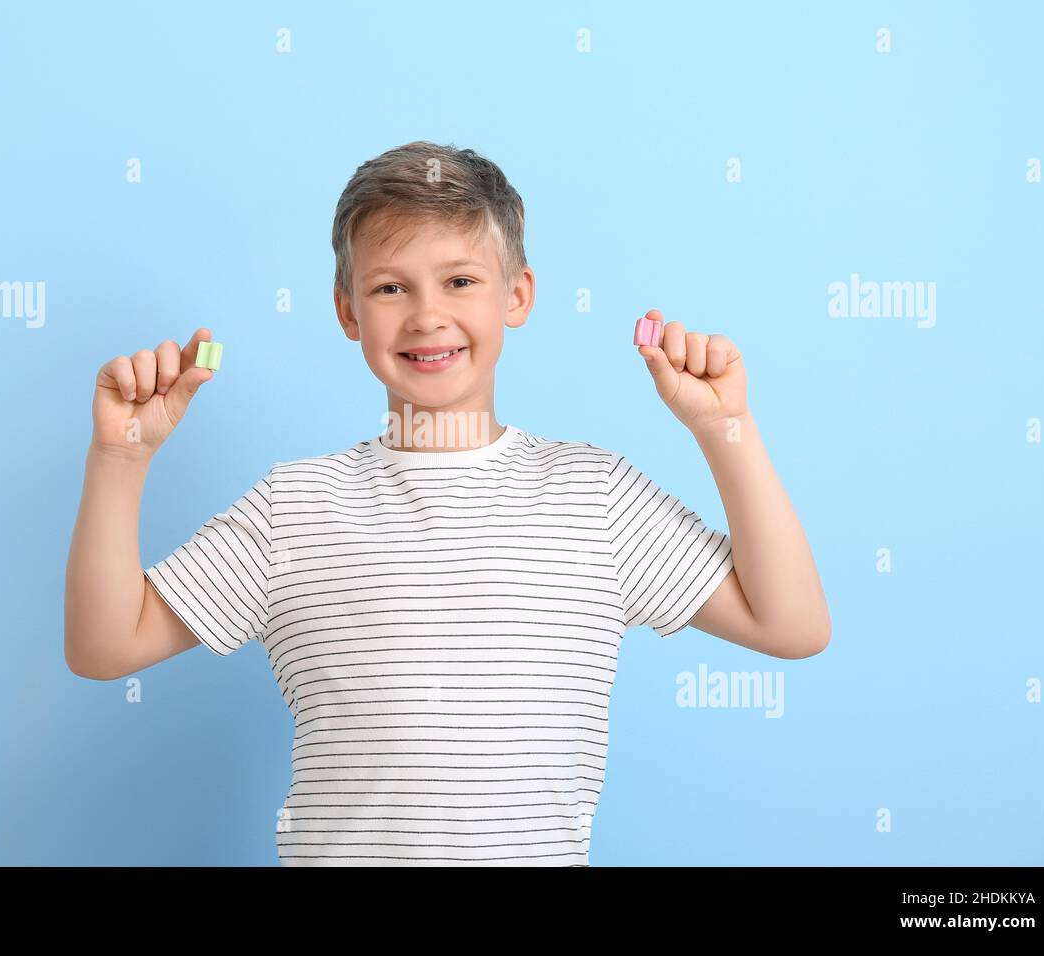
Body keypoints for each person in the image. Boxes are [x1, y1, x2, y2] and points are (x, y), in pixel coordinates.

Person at [64, 140, 831, 866]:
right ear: (347, 313)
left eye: (460, 280)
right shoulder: (293, 508)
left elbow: (791, 624)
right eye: (391, 287)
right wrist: (120, 459)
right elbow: (105, 647)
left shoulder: (596, 495)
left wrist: (725, 428)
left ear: (517, 295)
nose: (427, 315)